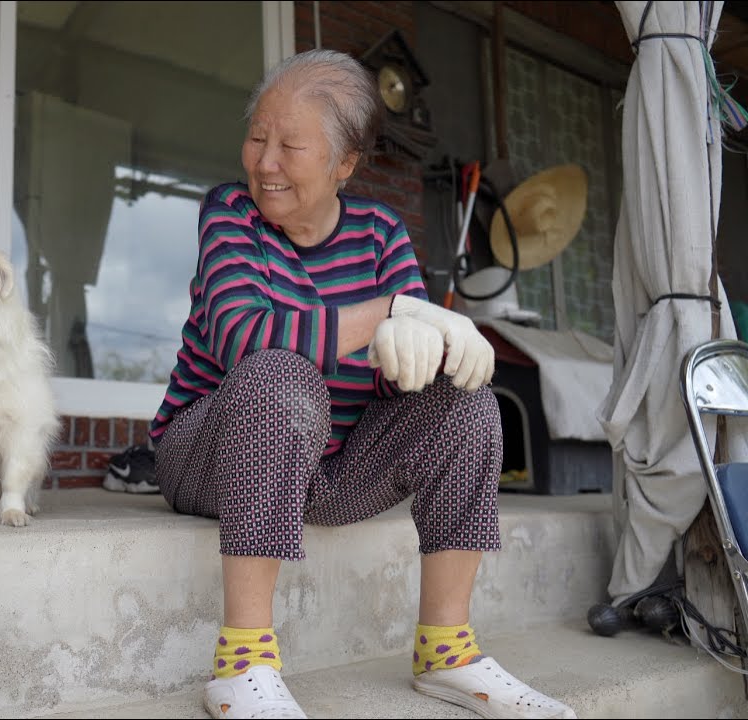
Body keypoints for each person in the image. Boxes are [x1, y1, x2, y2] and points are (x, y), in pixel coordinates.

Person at [149, 49, 576, 720]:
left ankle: (447, 650)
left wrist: (431, 353)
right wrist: (385, 314)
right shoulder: (231, 213)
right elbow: (242, 336)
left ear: (344, 164)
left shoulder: (380, 233)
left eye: (290, 145)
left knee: (466, 407)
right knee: (280, 374)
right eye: (258, 137)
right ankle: (243, 661)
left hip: (333, 468)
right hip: (210, 457)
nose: (264, 162)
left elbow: (396, 387)